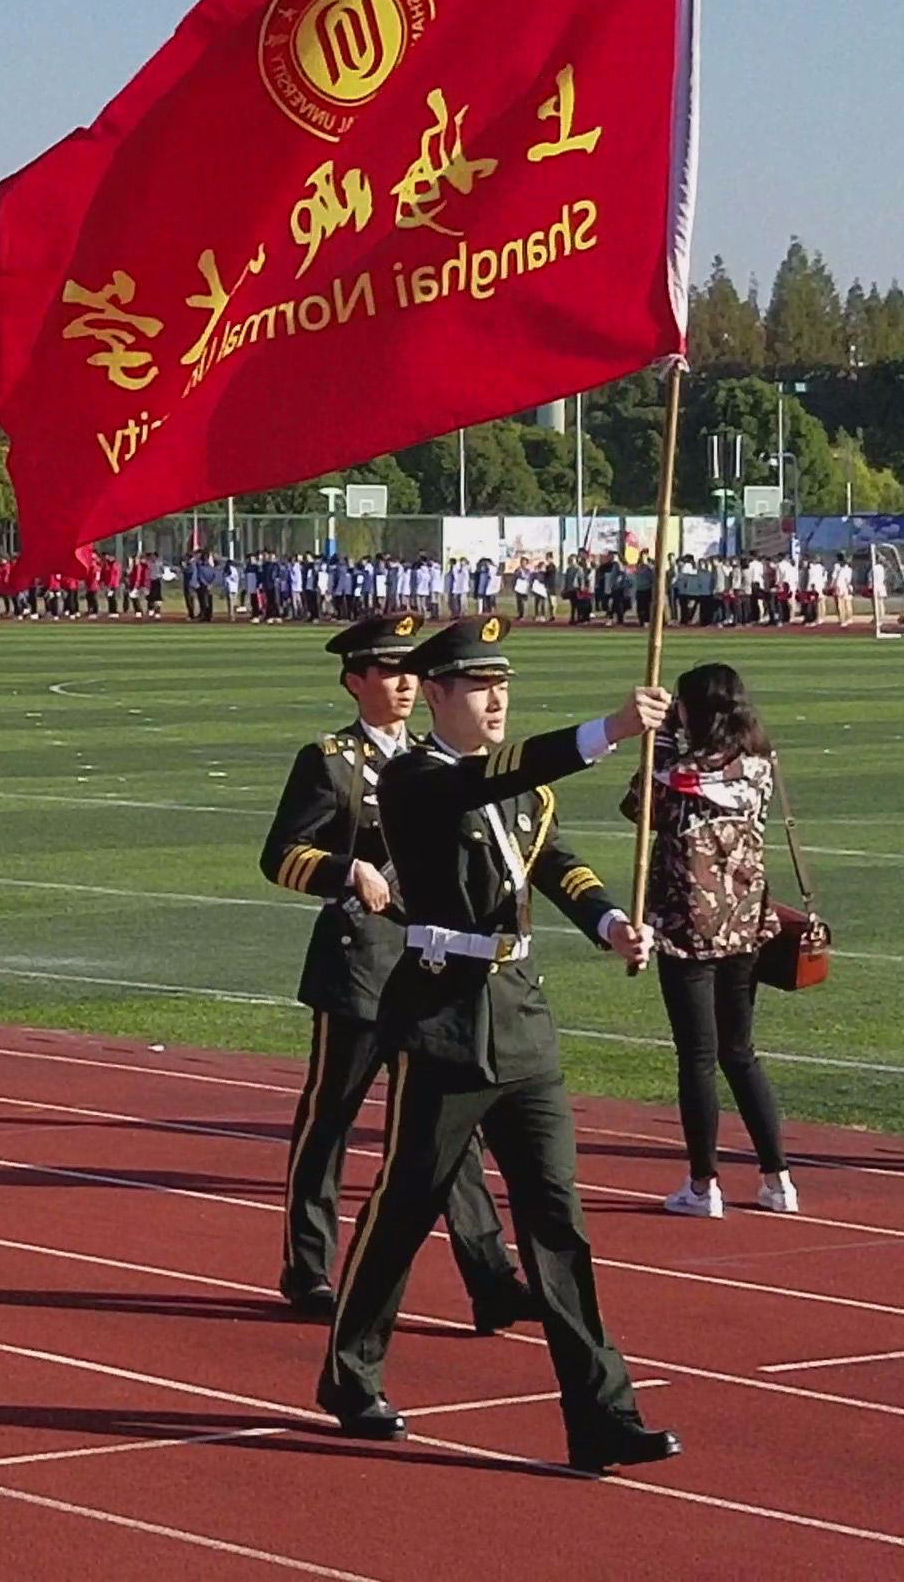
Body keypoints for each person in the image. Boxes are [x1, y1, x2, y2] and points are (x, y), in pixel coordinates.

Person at [320, 618, 680, 1476]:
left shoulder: (517, 788)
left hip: (519, 1017)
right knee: (407, 1204)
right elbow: (496, 780)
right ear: (437, 693)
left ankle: (600, 1413)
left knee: (558, 1220)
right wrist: (611, 731)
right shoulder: (415, 779)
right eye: (478, 686)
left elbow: (550, 860)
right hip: (442, 1019)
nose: (495, 699)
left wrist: (608, 921)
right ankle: (350, 1373)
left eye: (503, 684)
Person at [258, 614, 531, 1327]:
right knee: (330, 1122)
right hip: (358, 964)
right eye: (386, 670)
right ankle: (308, 1268)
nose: (404, 683)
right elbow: (280, 855)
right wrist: (346, 871)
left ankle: (490, 1275)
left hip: (428, 969)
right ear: (355, 681)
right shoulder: (329, 761)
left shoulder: (436, 762)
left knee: (449, 1130)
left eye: (411, 671)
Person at [631, 662, 796, 1218]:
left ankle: (704, 1184)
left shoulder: (677, 772)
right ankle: (777, 1176)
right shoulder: (758, 765)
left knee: (698, 1058)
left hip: (688, 927)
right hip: (746, 925)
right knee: (740, 1053)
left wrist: (655, 748)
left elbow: (638, 807)